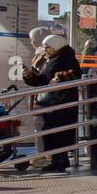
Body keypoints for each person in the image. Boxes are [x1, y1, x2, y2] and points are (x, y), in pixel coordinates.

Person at [23, 33, 82, 173]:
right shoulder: (52, 59)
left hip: (61, 103)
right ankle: (56, 161)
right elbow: (43, 80)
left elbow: (75, 75)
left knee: (59, 133)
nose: (45, 50)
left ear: (56, 46)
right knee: (51, 132)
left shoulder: (66, 59)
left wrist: (59, 78)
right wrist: (30, 75)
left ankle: (59, 161)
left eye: (47, 47)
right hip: (52, 103)